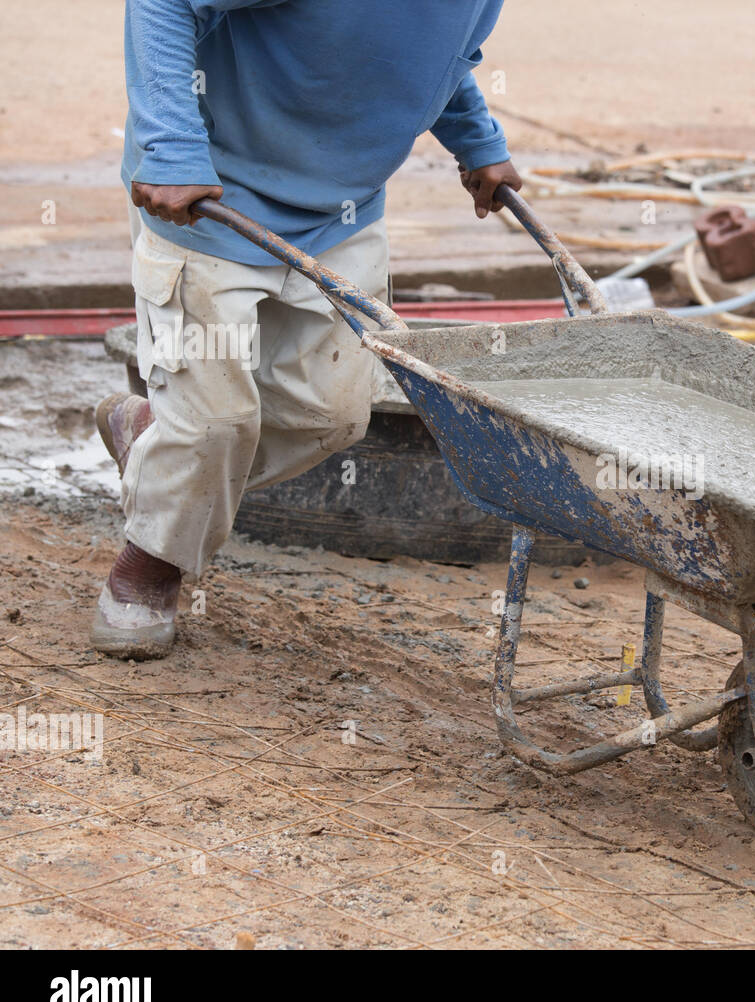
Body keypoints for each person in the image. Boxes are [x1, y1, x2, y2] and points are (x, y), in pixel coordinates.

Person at [93, 0, 521, 658]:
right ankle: (149, 567)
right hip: (209, 196)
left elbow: (434, 54)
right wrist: (169, 145)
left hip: (342, 211)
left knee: (330, 417)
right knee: (216, 425)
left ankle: (156, 439)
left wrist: (477, 139)